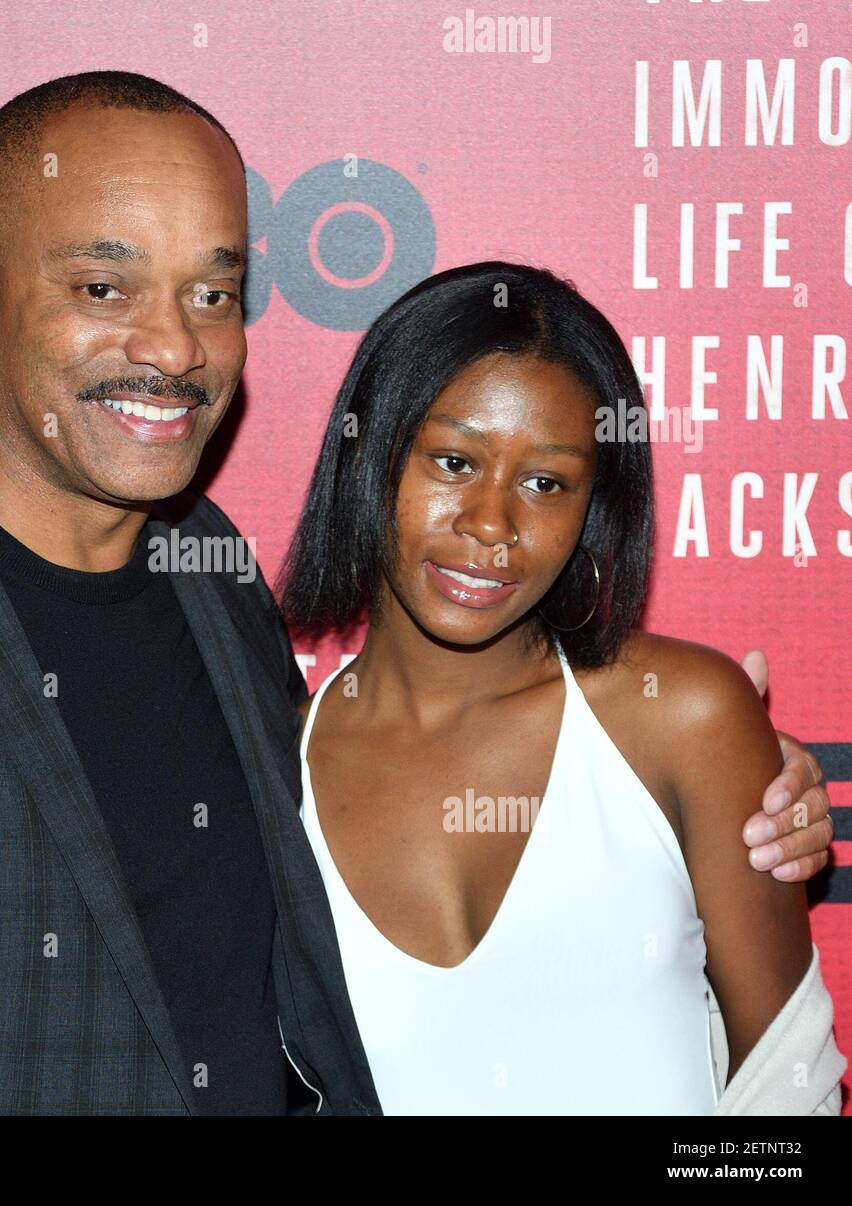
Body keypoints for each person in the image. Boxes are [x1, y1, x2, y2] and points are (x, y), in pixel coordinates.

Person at [0, 73, 834, 1116]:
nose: (173, 346)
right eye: (105, 288)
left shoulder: (210, 582)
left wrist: (726, 778)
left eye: (212, 294)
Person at [280, 261, 845, 1114]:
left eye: (546, 482)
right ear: (369, 458)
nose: (492, 524)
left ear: (593, 508)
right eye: (454, 460)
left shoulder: (681, 718)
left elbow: (788, 1090)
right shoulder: (271, 765)